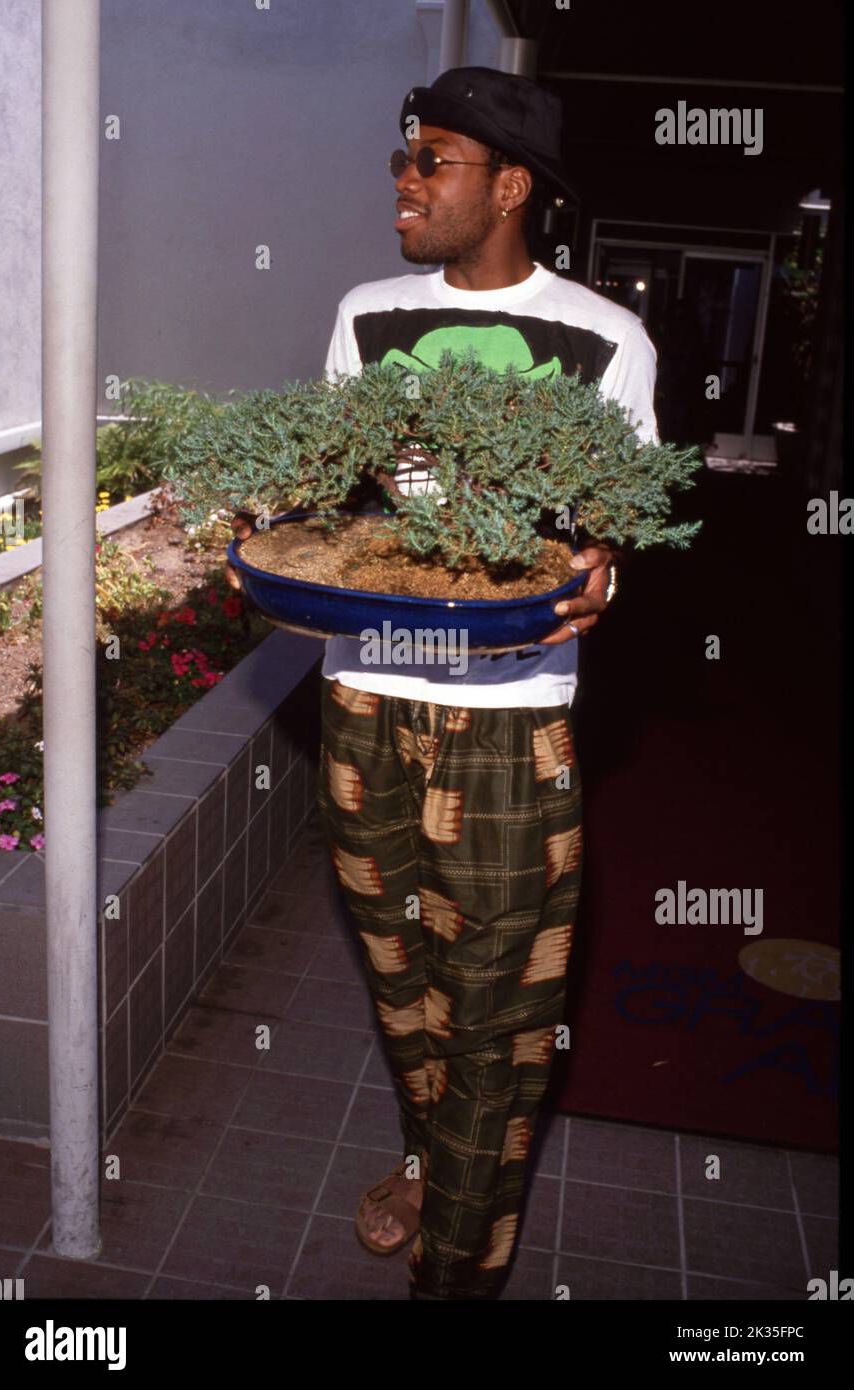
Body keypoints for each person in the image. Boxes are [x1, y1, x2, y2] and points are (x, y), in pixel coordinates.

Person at [228, 66, 659, 1300]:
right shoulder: (368, 316)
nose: (405, 183)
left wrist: (602, 575)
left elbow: (604, 533)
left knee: (503, 1026)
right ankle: (431, 1157)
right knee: (405, 985)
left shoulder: (606, 340)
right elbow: (333, 490)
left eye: (435, 163)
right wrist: (269, 510)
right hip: (364, 705)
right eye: (403, 160)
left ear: (511, 185)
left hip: (511, 730)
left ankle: (459, 1269)